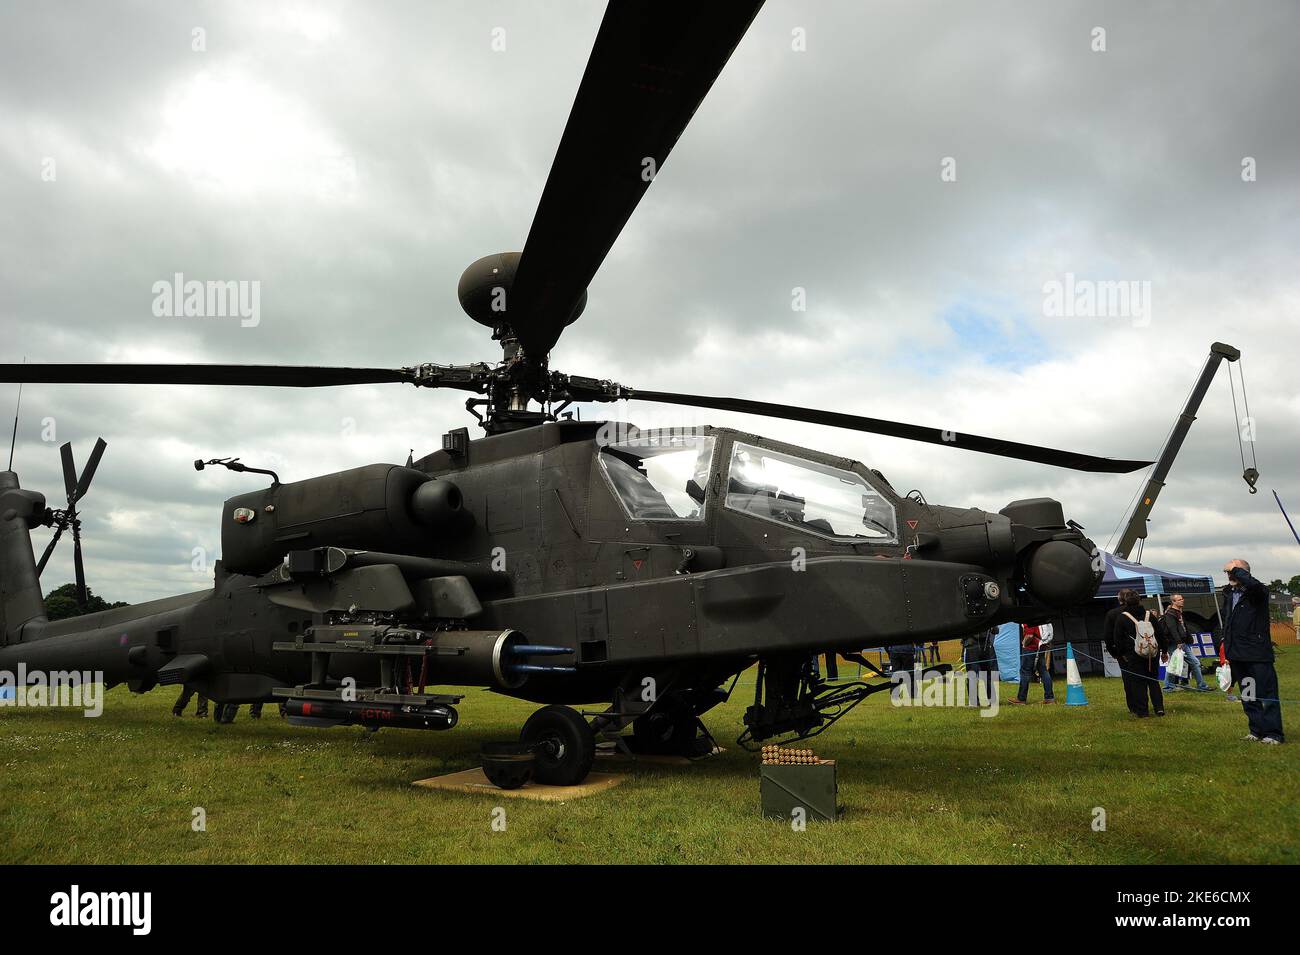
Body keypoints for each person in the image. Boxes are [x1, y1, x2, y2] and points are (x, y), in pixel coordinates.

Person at [1219, 560, 1284, 744]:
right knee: (1248, 695)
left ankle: (1273, 733)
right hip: (1237, 654)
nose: (1230, 575)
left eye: (1233, 572)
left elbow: (1255, 585)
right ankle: (1256, 730)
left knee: (1267, 694)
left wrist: (1237, 570)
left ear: (1243, 572)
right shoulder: (1230, 594)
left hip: (1257, 654)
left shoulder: (1257, 593)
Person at [1104, 589, 1167, 717]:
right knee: (1153, 681)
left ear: (1124, 601)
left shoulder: (1122, 618)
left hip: (1133, 655)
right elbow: (1160, 634)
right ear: (1140, 600)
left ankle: (1142, 711)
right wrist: (1164, 651)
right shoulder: (1149, 615)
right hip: (1151, 654)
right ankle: (1159, 708)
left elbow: (1117, 639)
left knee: (1138, 683)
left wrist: (1121, 654)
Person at [1161, 593, 1210, 692]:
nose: (1182, 600)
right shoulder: (1170, 614)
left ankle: (1200, 686)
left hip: (1182, 642)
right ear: (1173, 602)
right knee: (1176, 664)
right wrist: (1179, 641)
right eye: (1179, 599)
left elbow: (1183, 628)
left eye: (1182, 599)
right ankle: (1168, 687)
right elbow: (1172, 629)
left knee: (1187, 663)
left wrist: (1188, 639)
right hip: (1176, 643)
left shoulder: (1178, 612)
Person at [1010, 622, 1054, 704]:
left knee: (1025, 672)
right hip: (1041, 646)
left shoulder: (1029, 617)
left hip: (1031, 648)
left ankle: (1021, 699)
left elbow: (1029, 635)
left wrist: (1024, 644)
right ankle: (1049, 698)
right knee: (1043, 671)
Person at [961, 626, 998, 704]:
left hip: (976, 646)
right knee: (985, 674)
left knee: (975, 674)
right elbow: (995, 630)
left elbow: (995, 630)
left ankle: (976, 701)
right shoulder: (987, 615)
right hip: (981, 645)